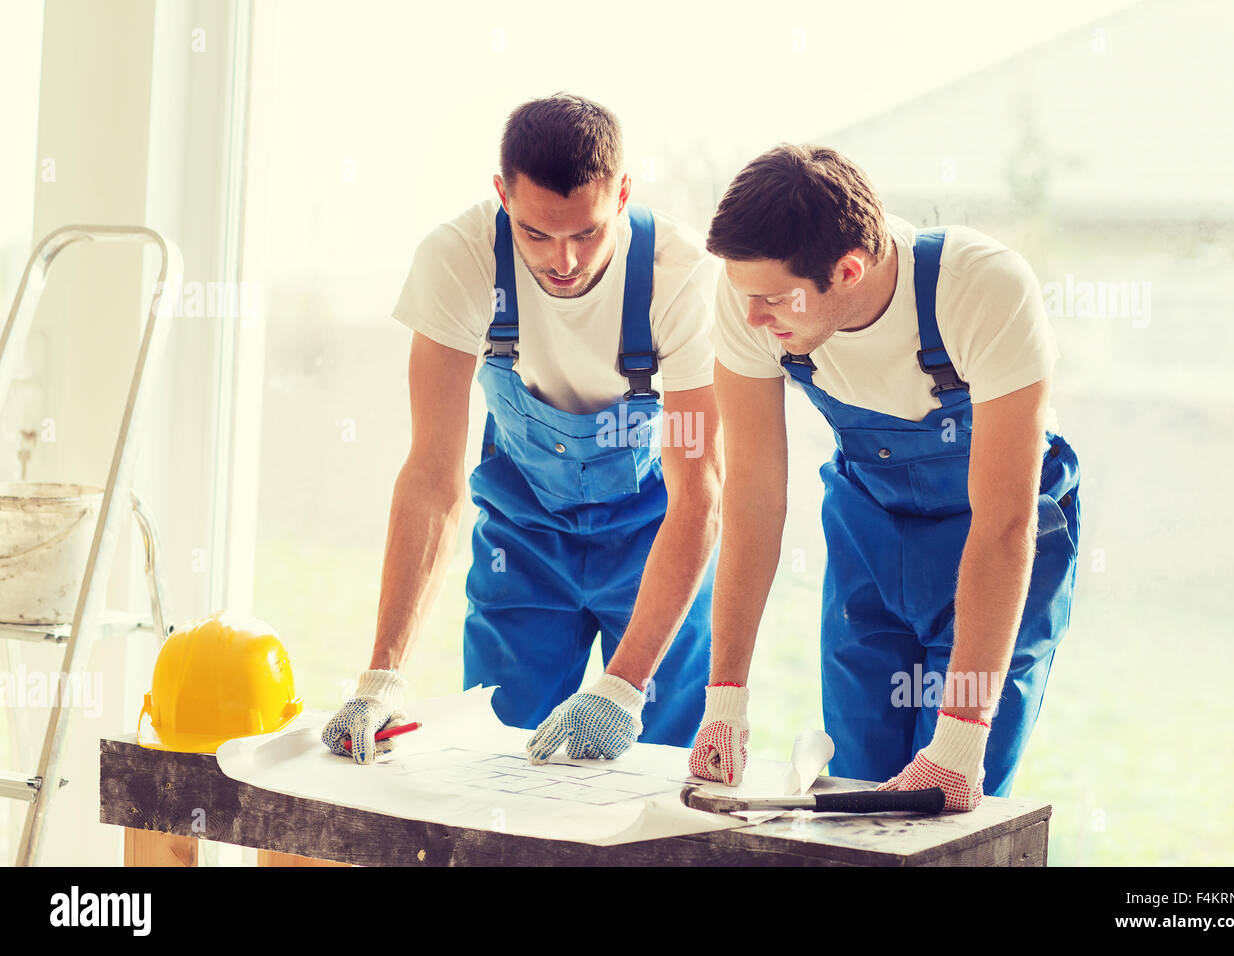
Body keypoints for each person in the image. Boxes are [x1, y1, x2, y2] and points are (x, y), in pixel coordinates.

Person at [321, 94, 722, 765]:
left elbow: (700, 492)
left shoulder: (679, 280)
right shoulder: (459, 259)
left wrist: (623, 688)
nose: (563, 261)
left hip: (657, 537)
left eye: (586, 233)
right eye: (537, 234)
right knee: (503, 758)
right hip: (524, 541)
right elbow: (432, 477)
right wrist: (381, 678)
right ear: (502, 196)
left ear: (622, 194)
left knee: (660, 769)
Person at [688, 144, 1080, 810]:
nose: (752, 319)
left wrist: (958, 744)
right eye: (741, 294)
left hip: (994, 542)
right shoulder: (751, 302)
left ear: (848, 271)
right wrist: (724, 701)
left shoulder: (981, 288)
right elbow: (753, 499)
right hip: (870, 531)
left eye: (772, 301)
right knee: (860, 789)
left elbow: (1007, 520)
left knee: (943, 806)